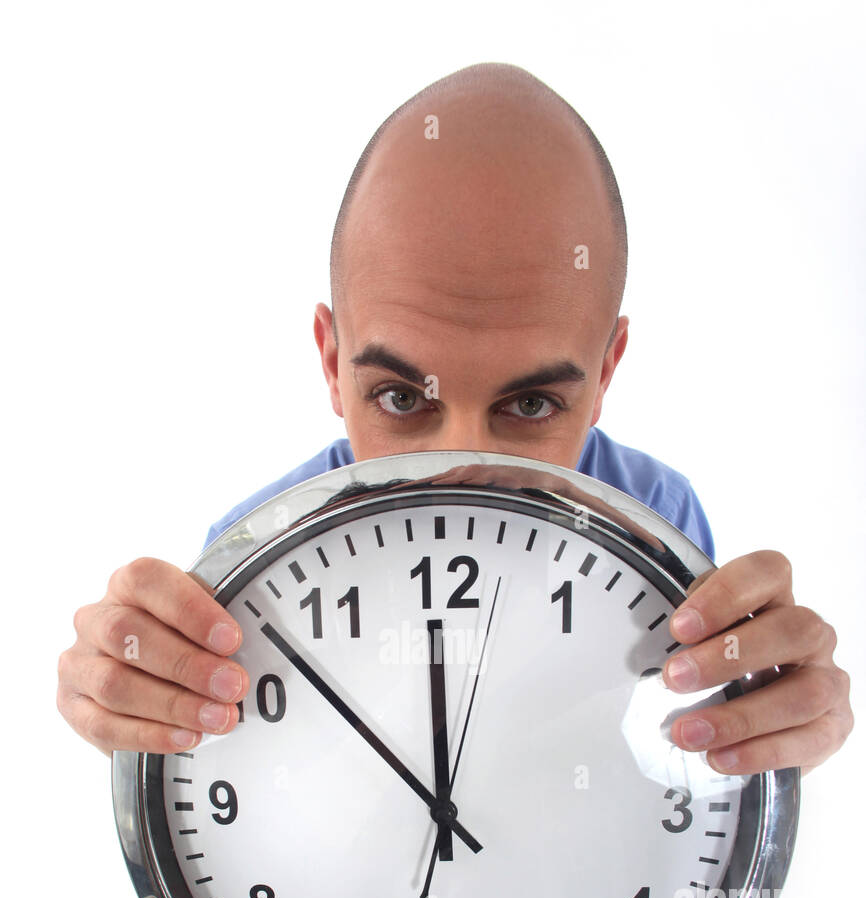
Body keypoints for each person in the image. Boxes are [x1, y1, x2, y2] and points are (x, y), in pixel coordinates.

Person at [56, 63, 852, 775]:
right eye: (402, 399)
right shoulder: (259, 555)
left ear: (605, 371)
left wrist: (769, 720)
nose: (461, 468)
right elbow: (220, 780)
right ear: (332, 363)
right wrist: (132, 695)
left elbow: (685, 764)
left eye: (531, 405)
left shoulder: (657, 520)